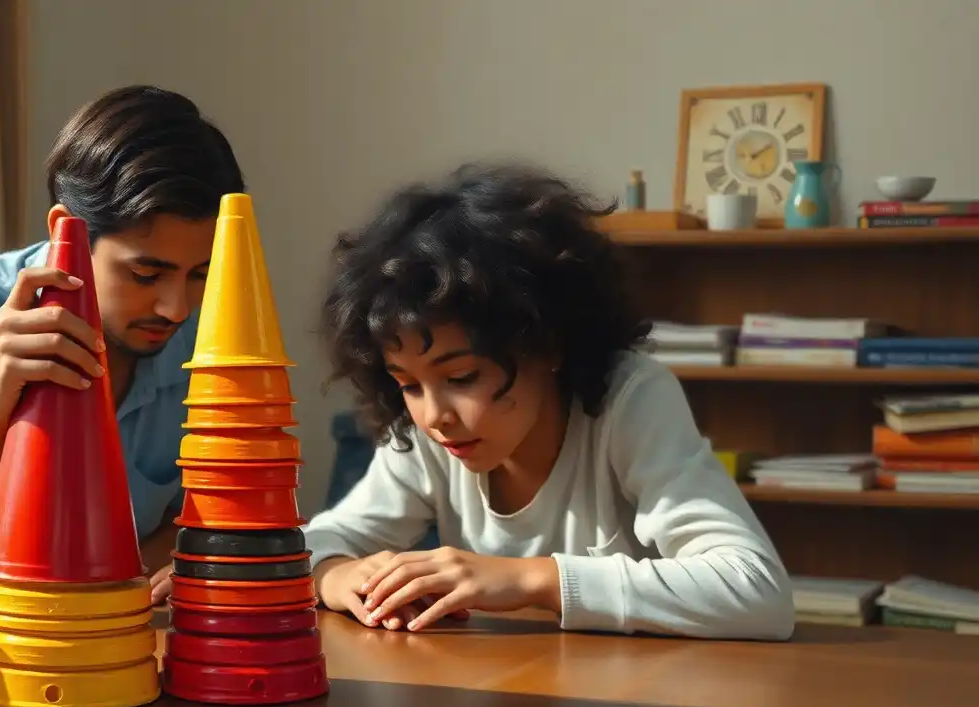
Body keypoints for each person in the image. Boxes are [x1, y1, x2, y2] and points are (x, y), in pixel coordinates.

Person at [303, 162, 796, 641]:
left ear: (547, 343)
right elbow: (308, 547)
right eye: (408, 385)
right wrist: (335, 575)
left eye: (462, 376)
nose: (434, 416)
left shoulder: (630, 399)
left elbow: (755, 590)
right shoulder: (430, 434)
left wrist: (529, 579)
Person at [0, 85, 245, 608]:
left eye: (200, 274)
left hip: (98, 633)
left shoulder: (204, 334)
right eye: (146, 273)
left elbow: (211, 521)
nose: (176, 308)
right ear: (66, 233)